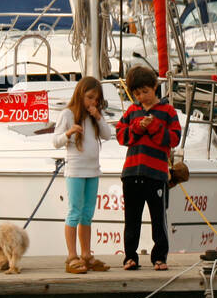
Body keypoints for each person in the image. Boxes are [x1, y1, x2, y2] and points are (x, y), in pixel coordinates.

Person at [116, 65, 181, 270]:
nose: (142, 97)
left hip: (156, 174)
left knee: (158, 219)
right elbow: (121, 135)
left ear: (155, 87)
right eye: (137, 93)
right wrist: (138, 127)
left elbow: (173, 139)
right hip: (131, 173)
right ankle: (130, 257)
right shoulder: (132, 111)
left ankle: (159, 257)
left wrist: (152, 126)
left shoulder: (168, 111)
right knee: (132, 220)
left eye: (145, 91)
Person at [53, 76, 114, 274]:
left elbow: (107, 134)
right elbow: (55, 141)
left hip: (93, 170)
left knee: (87, 213)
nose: (93, 102)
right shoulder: (68, 114)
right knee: (74, 212)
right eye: (89, 97)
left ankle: (86, 254)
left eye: (96, 99)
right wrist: (69, 133)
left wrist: (98, 116)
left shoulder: (94, 116)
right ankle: (72, 255)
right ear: (80, 95)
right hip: (76, 171)